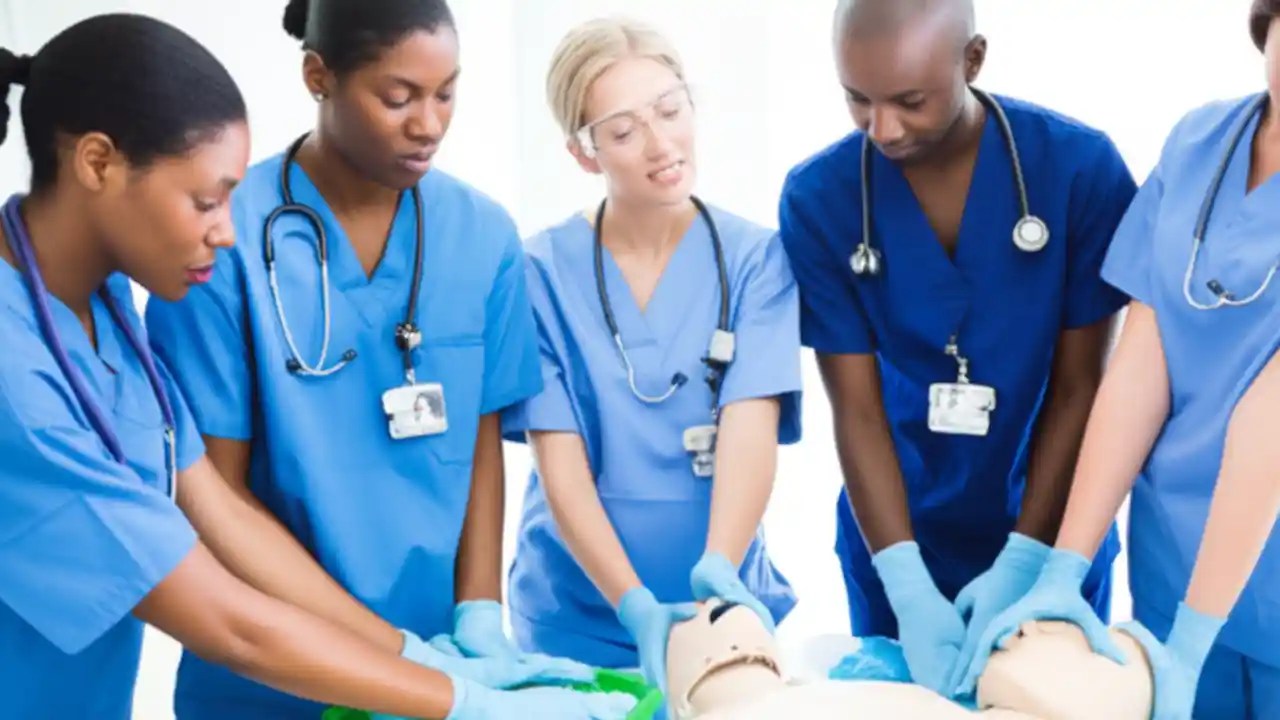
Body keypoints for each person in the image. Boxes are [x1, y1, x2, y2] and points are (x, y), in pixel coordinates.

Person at [0, 12, 635, 720]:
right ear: (96, 163)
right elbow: (228, 620)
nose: (227, 228)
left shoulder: (103, 302)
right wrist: (469, 703)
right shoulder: (14, 372)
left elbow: (202, 492)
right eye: (206, 201)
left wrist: (418, 652)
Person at [777, 0, 1137, 696]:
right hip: (898, 533)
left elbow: (1080, 389)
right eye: (857, 100)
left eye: (909, 101)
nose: (881, 128)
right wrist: (907, 588)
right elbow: (855, 410)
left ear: (972, 60)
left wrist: (1027, 561)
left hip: (1052, 525)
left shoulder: (1076, 171)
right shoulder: (821, 198)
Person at [957, 3, 1280, 718]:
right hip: (1170, 574)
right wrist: (1061, 566)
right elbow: (1140, 366)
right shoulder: (1200, 144)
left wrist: (1194, 642)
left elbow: (1271, 429)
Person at [500, 16, 803, 694]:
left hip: (721, 617)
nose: (661, 144)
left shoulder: (756, 260)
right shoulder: (539, 271)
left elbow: (750, 430)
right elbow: (561, 465)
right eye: (624, 129)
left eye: (670, 110)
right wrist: (632, 604)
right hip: (574, 617)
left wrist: (720, 574)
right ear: (584, 152)